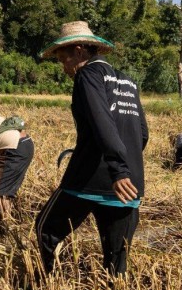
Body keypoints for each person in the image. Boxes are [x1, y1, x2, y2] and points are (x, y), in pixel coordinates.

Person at [36, 21, 148, 276]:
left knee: (46, 229)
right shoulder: (128, 82)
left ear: (78, 51)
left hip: (90, 178)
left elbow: (101, 122)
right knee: (116, 257)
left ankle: (51, 284)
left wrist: (117, 168)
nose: (64, 67)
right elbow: (142, 133)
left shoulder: (87, 75)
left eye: (63, 59)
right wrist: (125, 167)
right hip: (129, 185)